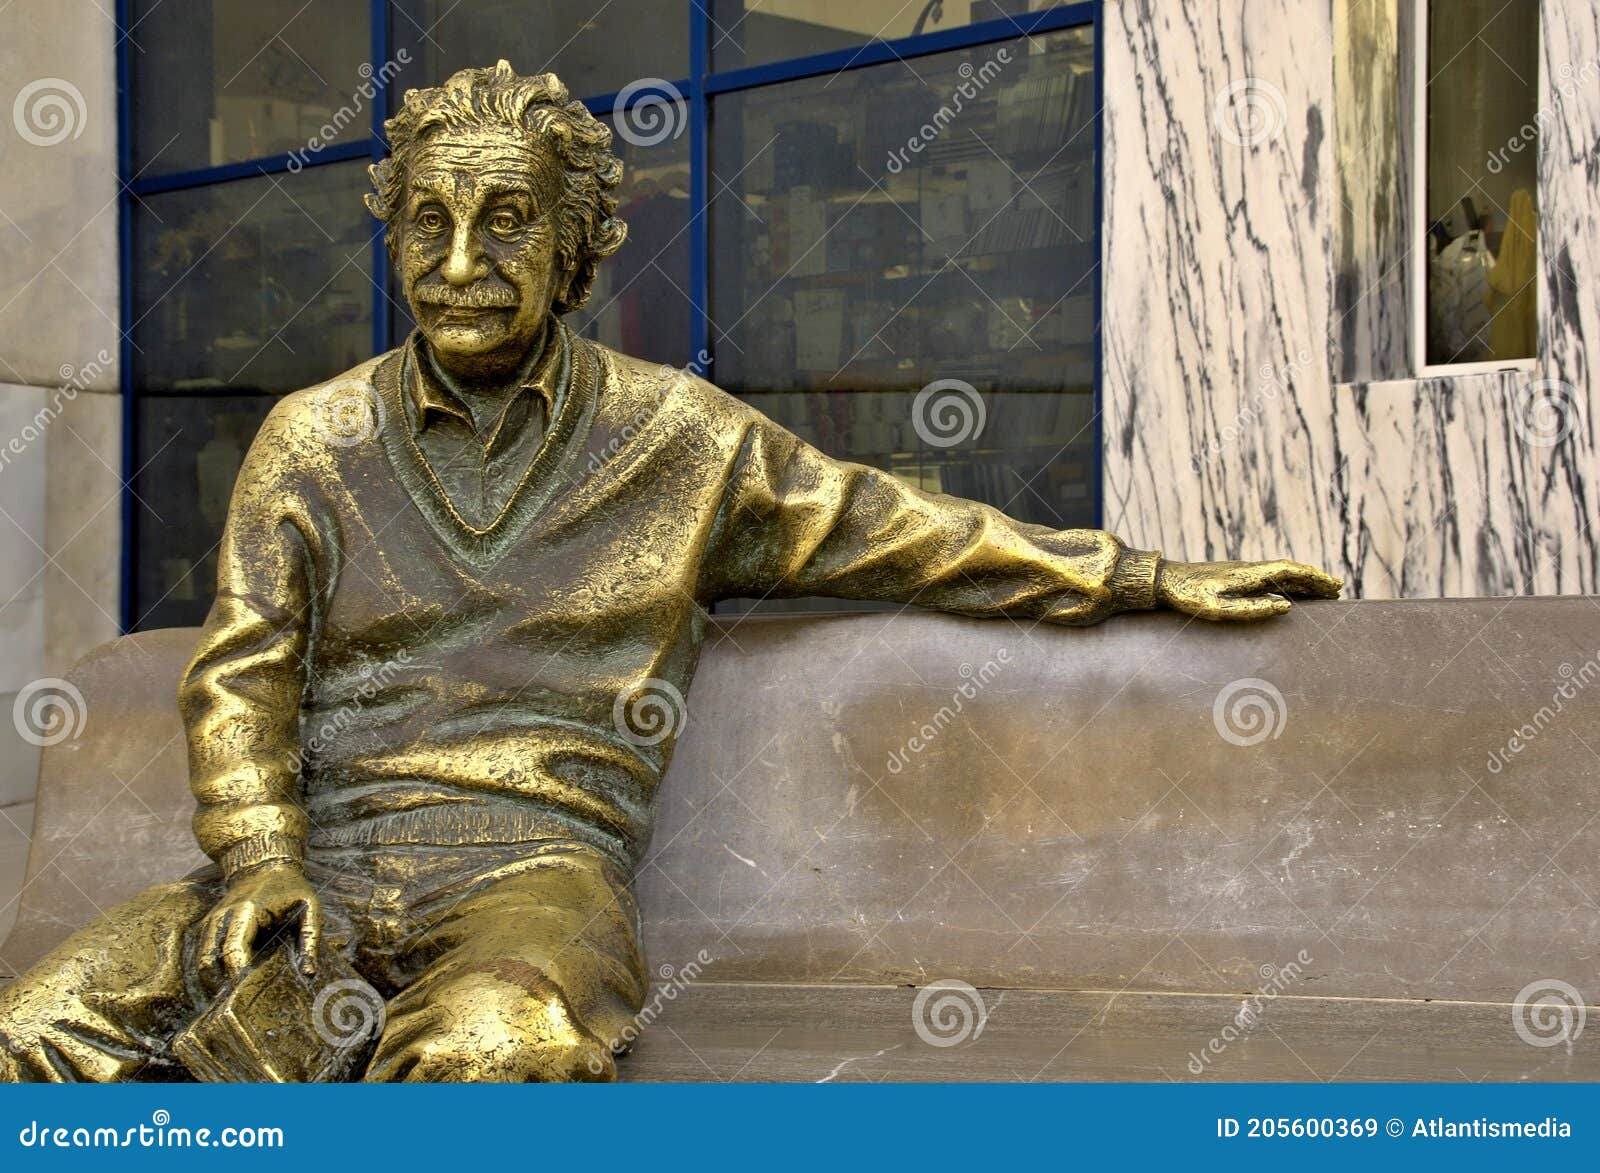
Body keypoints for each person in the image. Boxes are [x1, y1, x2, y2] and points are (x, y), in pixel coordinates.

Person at [0, 62, 1340, 1083]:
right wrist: (257, 863)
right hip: (304, 876)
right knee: (33, 1030)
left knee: (491, 1050)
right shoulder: (311, 438)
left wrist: (1141, 572)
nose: (458, 265)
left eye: (508, 222)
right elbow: (240, 679)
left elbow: (904, 532)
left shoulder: (684, 443)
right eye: (427, 224)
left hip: (531, 880)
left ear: (580, 247)